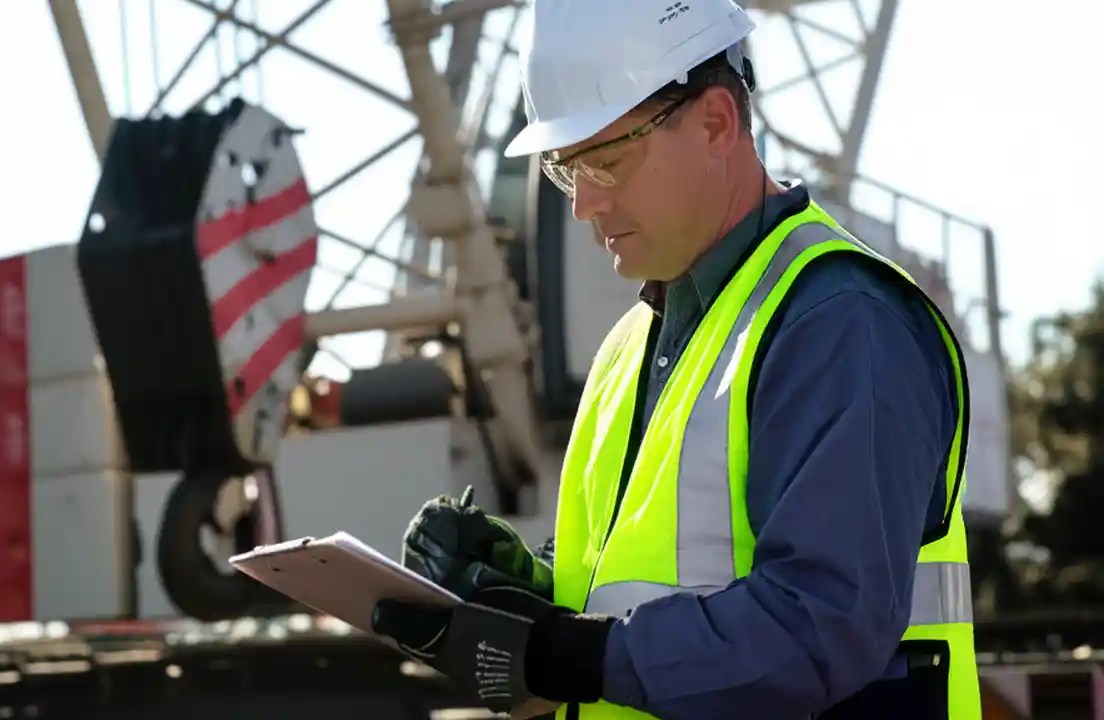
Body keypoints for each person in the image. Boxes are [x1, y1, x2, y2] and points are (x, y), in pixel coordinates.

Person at [369, 0, 981, 717]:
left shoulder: (840, 321)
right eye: (567, 171)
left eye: (606, 160)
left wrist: (571, 654)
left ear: (717, 122)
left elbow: (819, 627)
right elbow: (637, 594)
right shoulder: (629, 349)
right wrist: (514, 588)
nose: (584, 206)